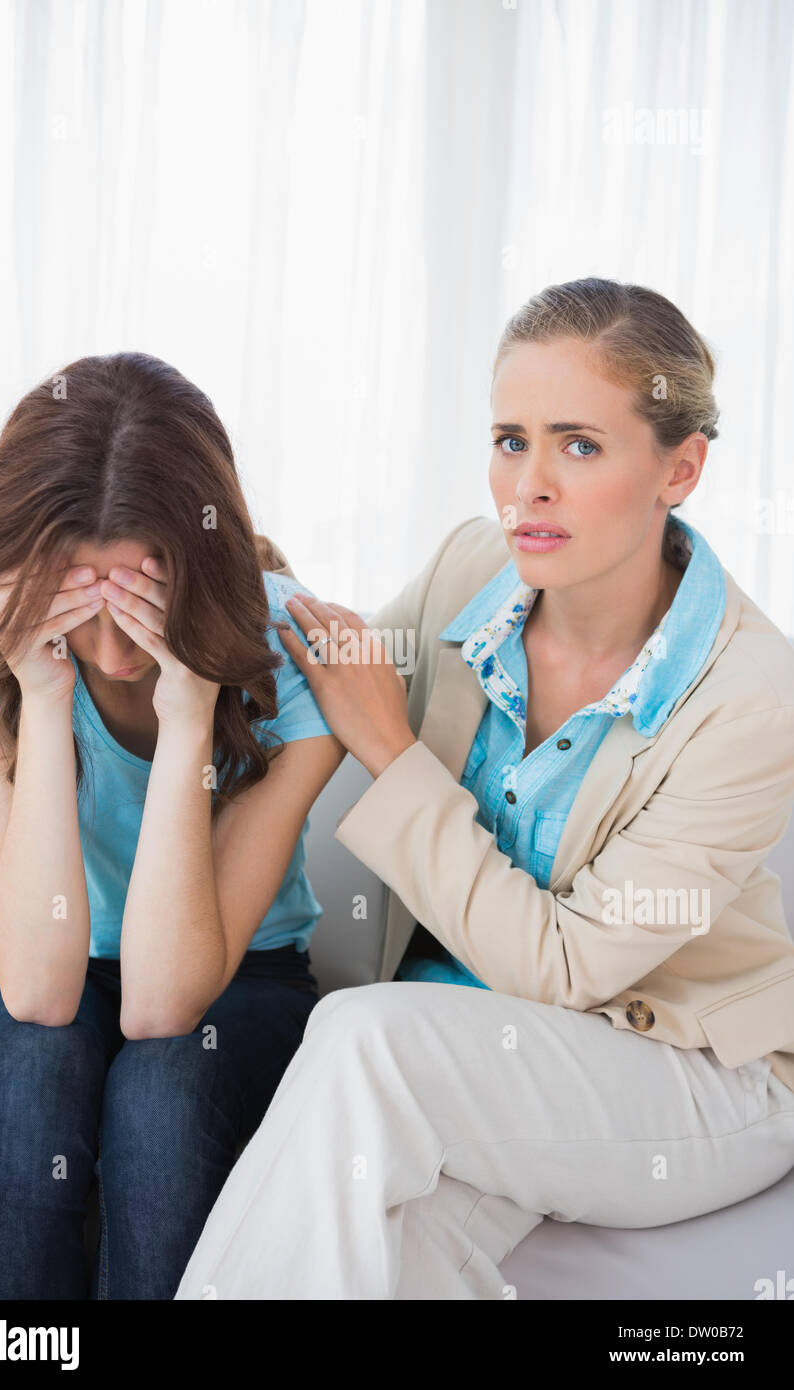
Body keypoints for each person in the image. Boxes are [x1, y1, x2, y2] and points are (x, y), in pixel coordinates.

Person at [173, 277, 794, 1301]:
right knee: (379, 1246)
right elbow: (308, 668)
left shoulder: (752, 695)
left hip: (687, 1070)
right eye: (510, 438)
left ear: (677, 467)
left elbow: (566, 967)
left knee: (363, 1039)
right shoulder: (473, 565)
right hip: (480, 1055)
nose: (527, 485)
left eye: (578, 445)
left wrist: (392, 752)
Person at [0, 351, 343, 1299]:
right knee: (32, 1062)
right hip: (53, 967)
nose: (116, 651)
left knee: (167, 1084)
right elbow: (35, 990)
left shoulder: (293, 655)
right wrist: (40, 691)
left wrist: (193, 703)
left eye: (144, 600)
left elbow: (164, 1007)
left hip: (235, 978)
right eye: (80, 600)